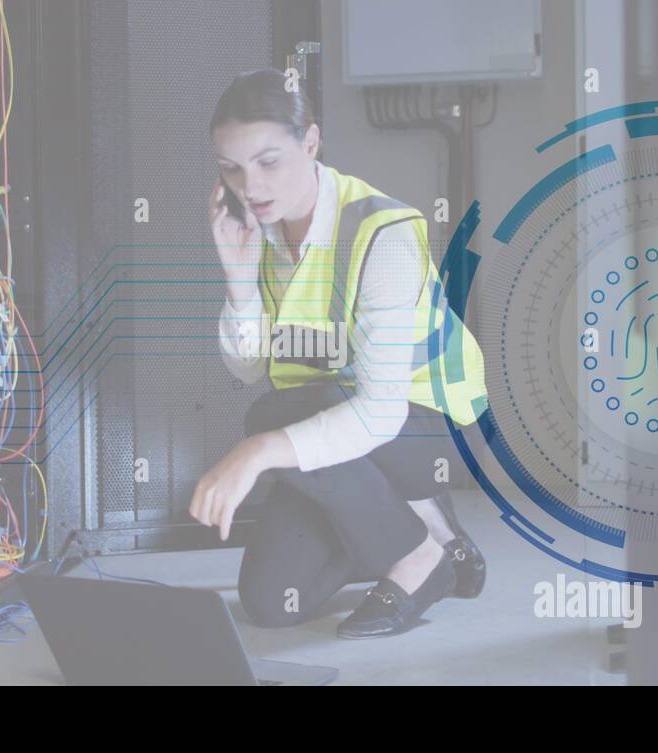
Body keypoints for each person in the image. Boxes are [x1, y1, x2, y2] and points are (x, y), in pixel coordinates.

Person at [189, 68, 488, 639]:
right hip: (334, 422)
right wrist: (239, 281)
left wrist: (253, 454)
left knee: (274, 418)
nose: (249, 186)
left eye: (268, 160)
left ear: (311, 143)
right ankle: (433, 534)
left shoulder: (383, 234)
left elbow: (380, 412)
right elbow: (252, 367)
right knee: (271, 602)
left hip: (420, 427)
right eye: (231, 167)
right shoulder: (263, 231)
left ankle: (420, 559)